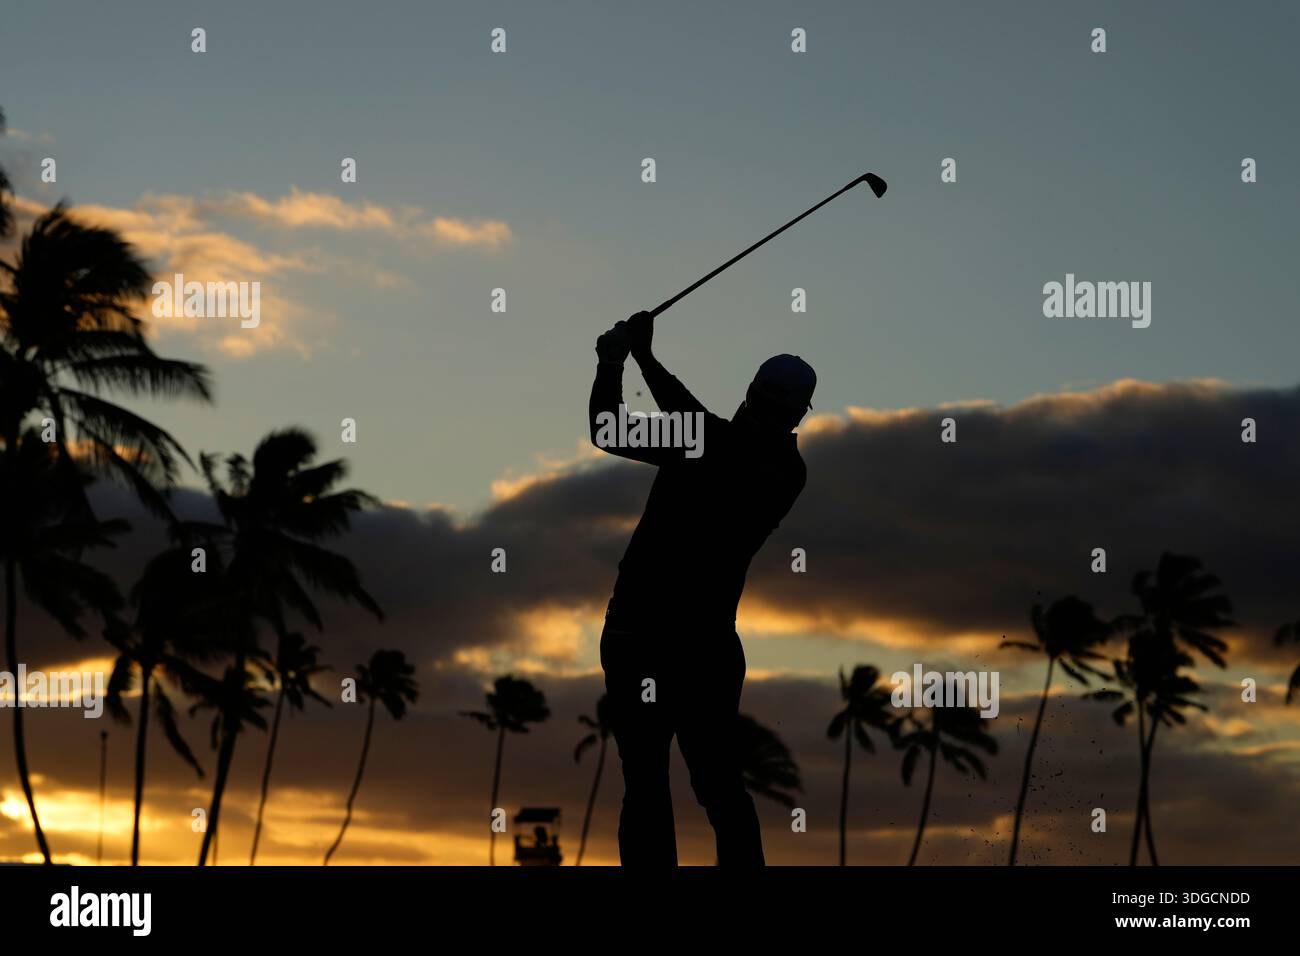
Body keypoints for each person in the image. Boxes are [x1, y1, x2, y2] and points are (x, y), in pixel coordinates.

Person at [588, 310, 813, 866]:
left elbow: (622, 425)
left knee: (660, 783)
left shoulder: (746, 458)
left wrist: (624, 358)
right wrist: (626, 358)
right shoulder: (767, 461)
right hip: (695, 645)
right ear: (796, 416)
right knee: (704, 783)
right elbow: (613, 430)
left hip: (653, 639)